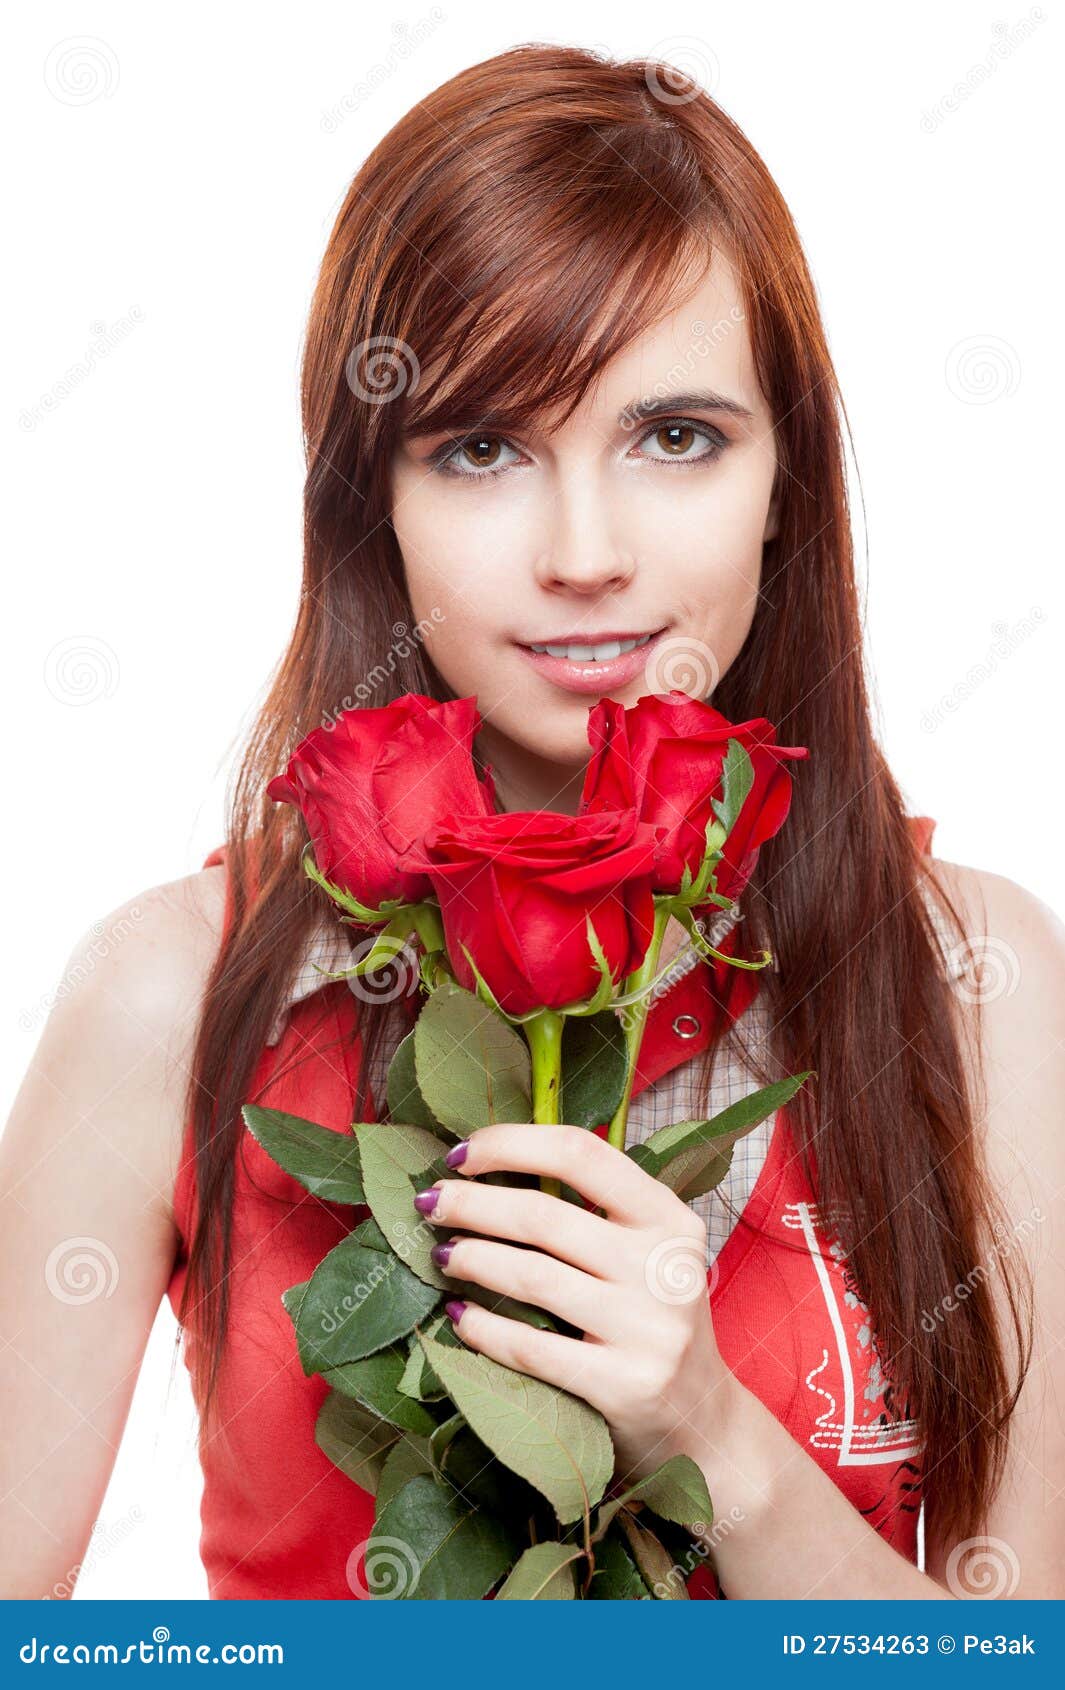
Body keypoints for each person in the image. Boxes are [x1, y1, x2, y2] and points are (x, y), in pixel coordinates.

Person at [2, 42, 1062, 1602]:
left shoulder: (976, 983)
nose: (585, 551)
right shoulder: (172, 990)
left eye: (675, 437)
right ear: (377, 494)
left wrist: (709, 1429)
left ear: (789, 476)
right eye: (482, 446)